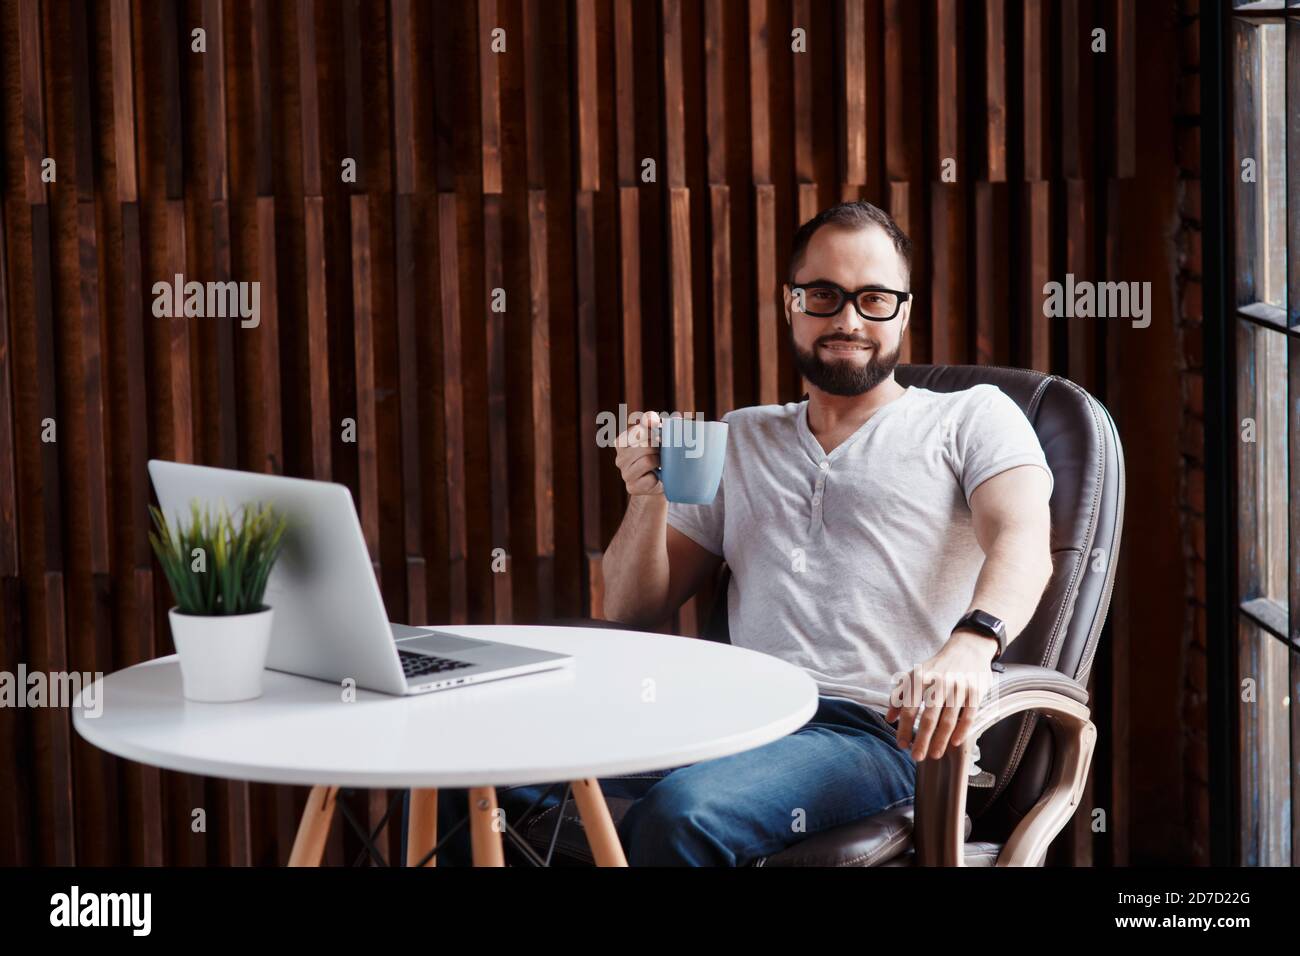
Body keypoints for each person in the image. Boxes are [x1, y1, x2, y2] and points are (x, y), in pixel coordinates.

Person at [436, 200, 1054, 866]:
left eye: (874, 299)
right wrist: (647, 500)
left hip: (874, 732)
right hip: (729, 709)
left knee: (682, 815)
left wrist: (973, 641)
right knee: (472, 761)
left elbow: (1023, 540)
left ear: (903, 311)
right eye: (823, 295)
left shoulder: (971, 418)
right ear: (789, 304)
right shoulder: (741, 436)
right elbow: (630, 608)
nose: (847, 320)